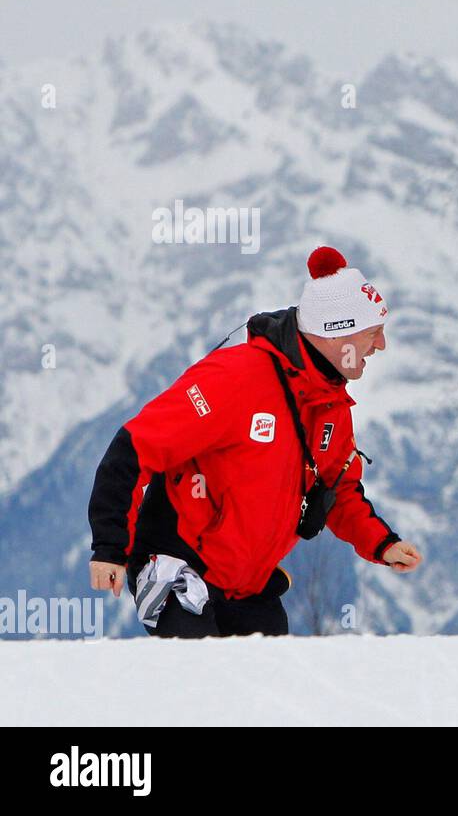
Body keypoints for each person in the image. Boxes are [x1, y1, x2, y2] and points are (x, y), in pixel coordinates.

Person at [87, 246, 422, 637]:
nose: (381, 345)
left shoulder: (331, 405)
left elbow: (339, 490)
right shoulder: (237, 378)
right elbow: (134, 446)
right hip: (178, 569)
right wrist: (110, 548)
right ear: (338, 333)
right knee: (200, 681)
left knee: (272, 690)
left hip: (247, 586)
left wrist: (382, 544)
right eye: (373, 334)